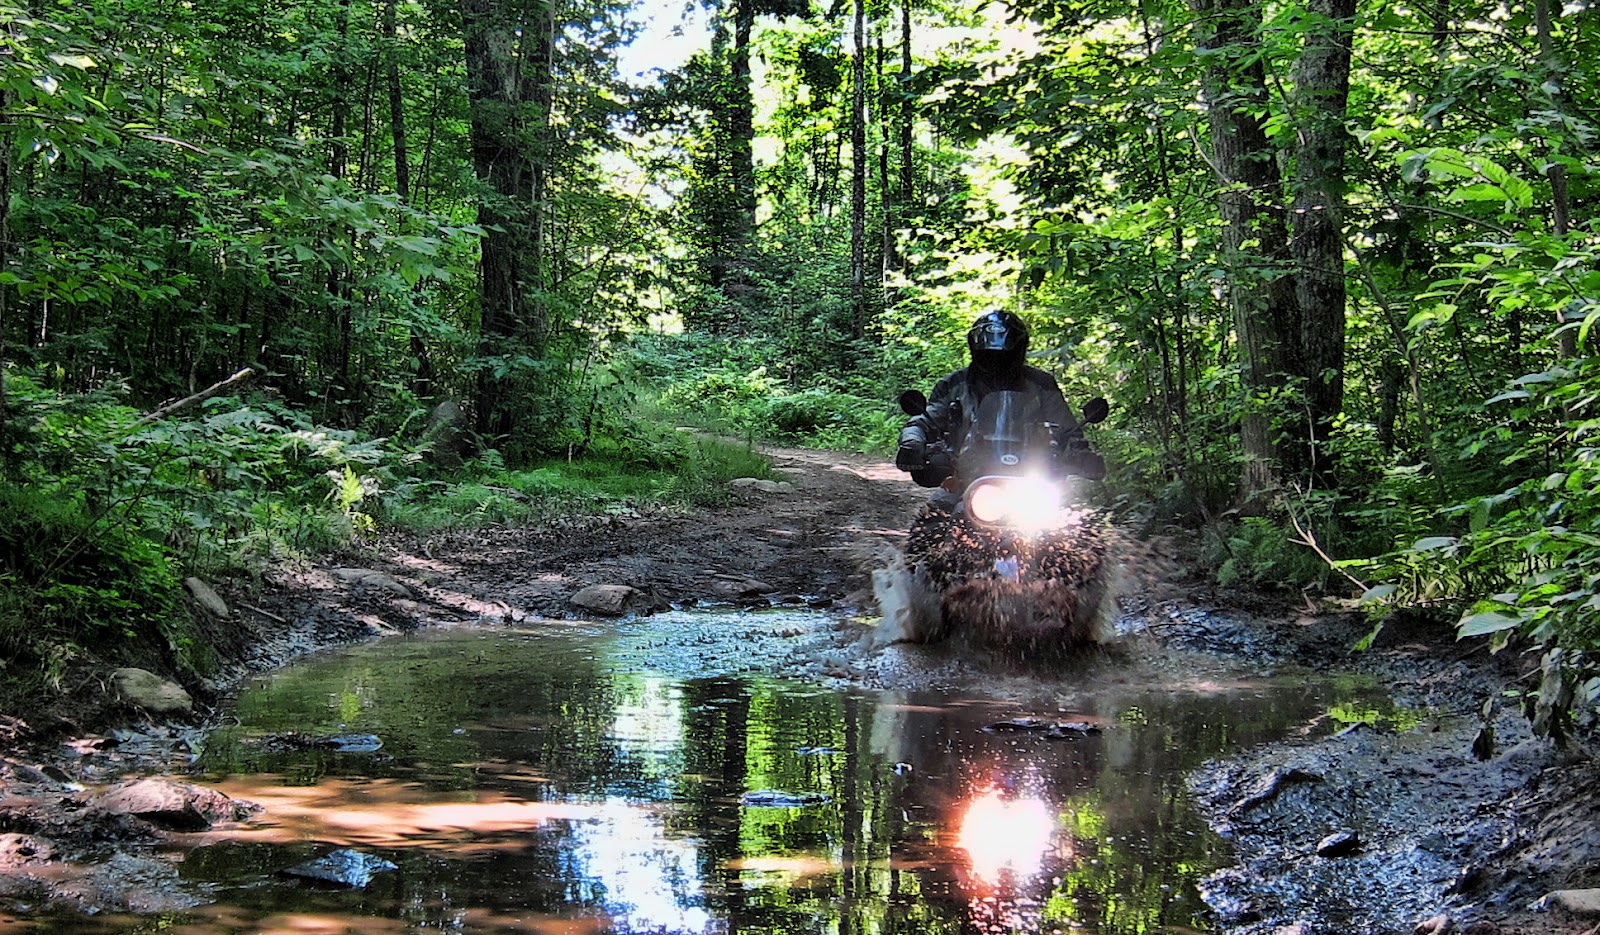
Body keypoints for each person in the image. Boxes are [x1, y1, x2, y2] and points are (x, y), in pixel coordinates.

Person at [895, 311, 1104, 492]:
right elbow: (924, 420)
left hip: (1033, 481)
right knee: (932, 524)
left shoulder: (1042, 386)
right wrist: (913, 442)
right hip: (966, 477)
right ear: (976, 352)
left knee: (1072, 529)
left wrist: (1080, 454)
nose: (997, 362)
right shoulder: (954, 385)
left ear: (1018, 352)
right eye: (989, 356)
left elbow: (1068, 430)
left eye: (1004, 356)